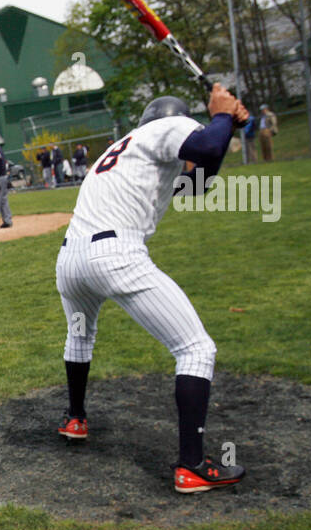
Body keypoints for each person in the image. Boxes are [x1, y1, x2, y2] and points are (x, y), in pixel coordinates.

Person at [54, 84, 250, 494]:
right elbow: (208, 149)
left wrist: (227, 124)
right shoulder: (166, 127)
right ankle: (192, 466)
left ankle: (75, 418)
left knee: (80, 336)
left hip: (71, 259)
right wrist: (220, 114)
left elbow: (197, 183)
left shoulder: (126, 149)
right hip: (114, 254)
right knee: (197, 349)